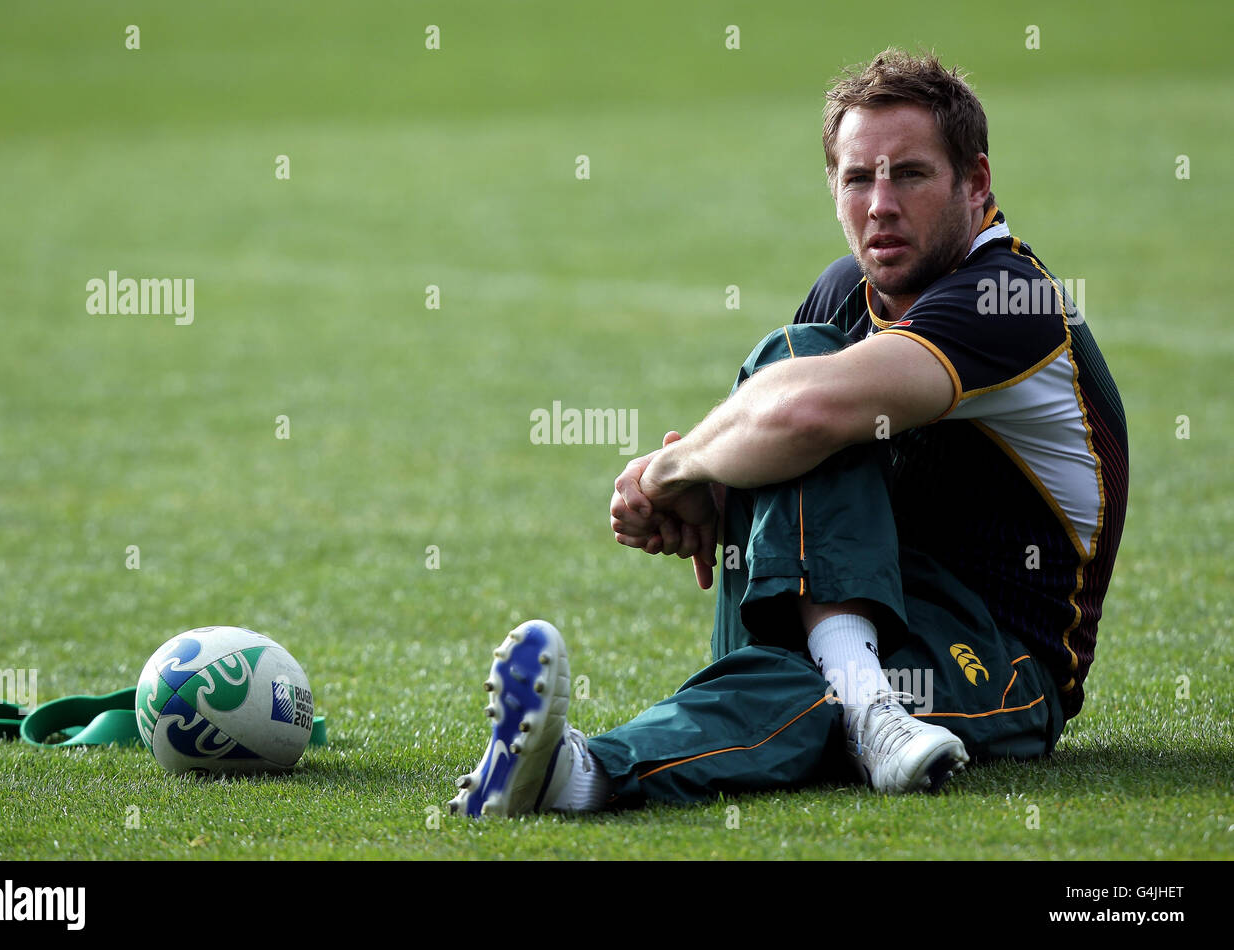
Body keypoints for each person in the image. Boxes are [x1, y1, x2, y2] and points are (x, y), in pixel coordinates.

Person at [449, 48, 1128, 817]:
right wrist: (713, 488)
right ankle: (869, 707)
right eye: (857, 178)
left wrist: (668, 473)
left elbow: (800, 417)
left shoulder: (1010, 298)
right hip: (852, 601)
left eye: (909, 174)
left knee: (809, 662)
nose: (880, 204)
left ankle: (580, 772)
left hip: (997, 652)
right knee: (797, 357)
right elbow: (778, 425)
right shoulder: (845, 290)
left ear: (975, 183)